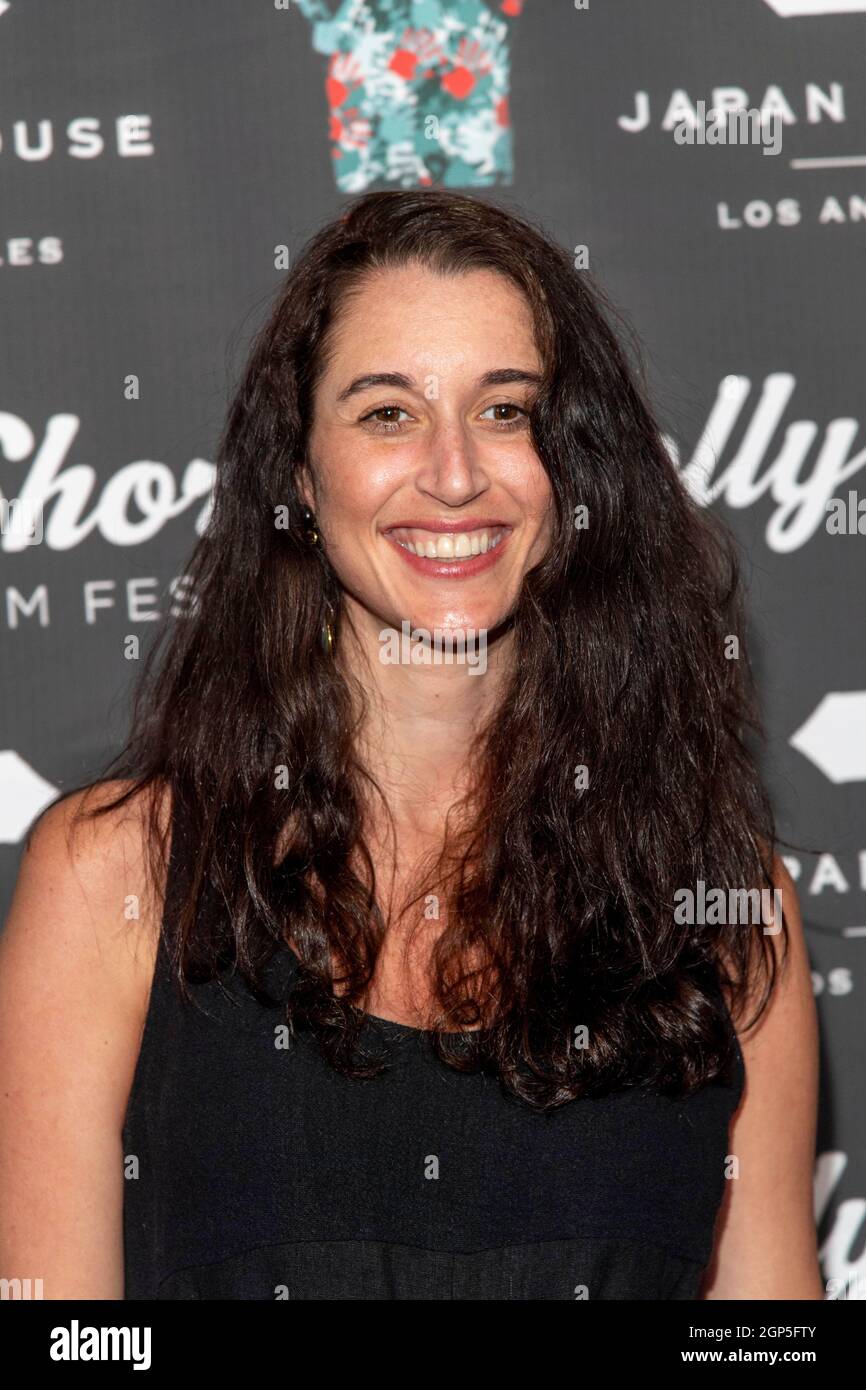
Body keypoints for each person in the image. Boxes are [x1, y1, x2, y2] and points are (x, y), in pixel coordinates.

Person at [0, 190, 823, 1300]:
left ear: (575, 466)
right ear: (297, 476)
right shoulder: (114, 880)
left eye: (505, 411)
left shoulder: (721, 910)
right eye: (386, 413)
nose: (451, 474)